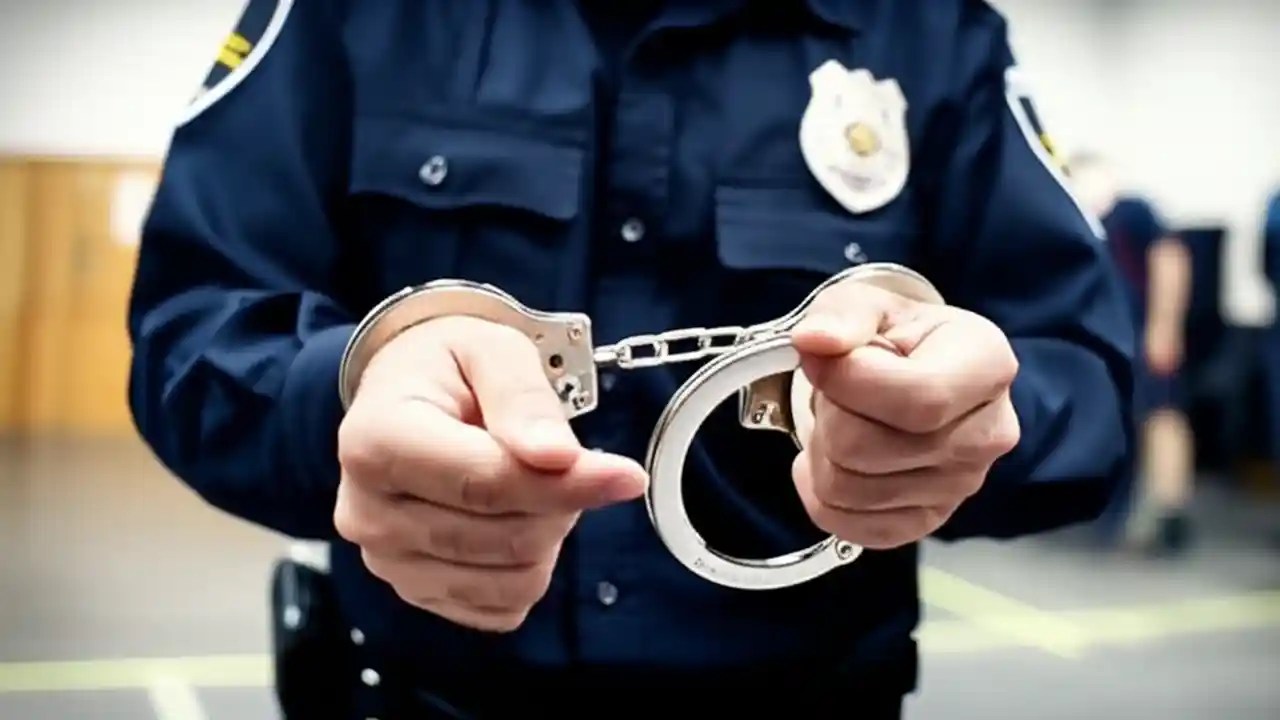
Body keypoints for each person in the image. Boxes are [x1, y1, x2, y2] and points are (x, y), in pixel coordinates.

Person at [126, 0, 1135, 717]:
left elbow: (1079, 379)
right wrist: (350, 389)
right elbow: (192, 327)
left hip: (810, 690)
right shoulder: (354, 12)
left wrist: (956, 422)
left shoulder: (932, 28)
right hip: (417, 693)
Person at [1071, 153, 1194, 555]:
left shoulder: (1134, 212)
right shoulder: (1086, 222)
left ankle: (1168, 511)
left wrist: (1164, 326)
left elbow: (1171, 260)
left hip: (1143, 335)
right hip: (1110, 343)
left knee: (1161, 414)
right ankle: (1120, 511)